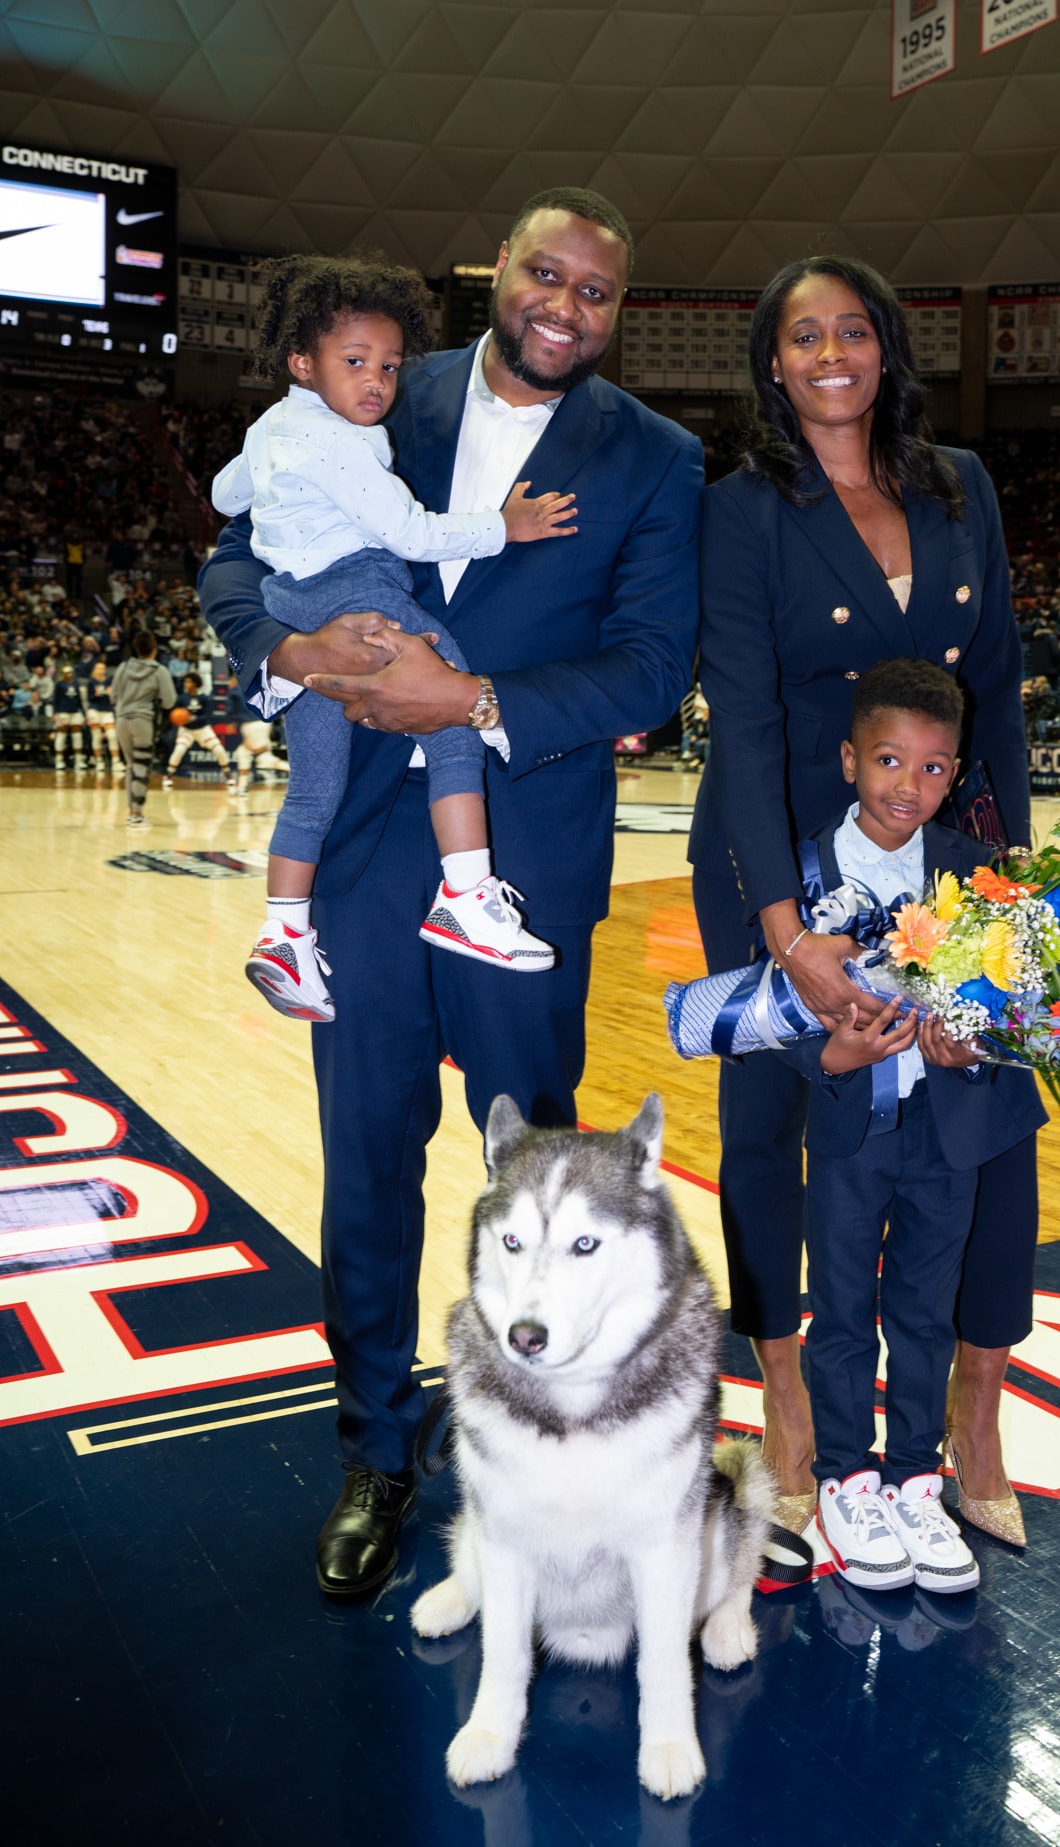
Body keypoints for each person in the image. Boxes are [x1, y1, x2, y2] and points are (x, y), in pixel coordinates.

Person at [199, 186, 700, 1599]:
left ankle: (547, 1450)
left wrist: (467, 693)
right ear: (502, 274)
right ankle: (377, 1449)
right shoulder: (368, 381)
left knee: (544, 1177)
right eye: (546, 274)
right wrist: (289, 657)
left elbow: (653, 665)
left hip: (521, 864)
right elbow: (232, 563)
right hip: (357, 852)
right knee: (366, 1167)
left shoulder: (654, 459)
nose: (565, 306)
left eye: (597, 291)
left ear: (617, 313)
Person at [689, 254, 1034, 1554]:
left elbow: (991, 690)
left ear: (885, 349)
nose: (828, 352)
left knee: (986, 1109)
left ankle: (975, 1414)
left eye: (851, 330)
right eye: (800, 336)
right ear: (772, 366)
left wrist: (1008, 888)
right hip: (777, 852)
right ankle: (784, 1403)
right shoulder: (743, 507)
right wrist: (784, 926)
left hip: (947, 853)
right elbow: (749, 714)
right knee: (772, 1111)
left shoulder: (965, 490)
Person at [211, 254, 576, 1020]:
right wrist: (503, 527)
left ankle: (282, 933)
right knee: (454, 715)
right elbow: (410, 532)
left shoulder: (274, 425)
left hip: (301, 612)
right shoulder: (339, 442)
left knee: (313, 789)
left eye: (388, 365)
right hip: (362, 591)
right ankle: (468, 892)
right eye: (354, 363)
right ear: (302, 362)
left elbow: (225, 494)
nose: (376, 381)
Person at [781, 659, 1046, 1590]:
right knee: (845, 1312)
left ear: (957, 772)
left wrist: (970, 1049)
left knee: (927, 1311)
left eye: (935, 769)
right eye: (891, 760)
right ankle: (844, 1478)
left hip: (948, 1134)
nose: (911, 786)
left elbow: (1009, 1011)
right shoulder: (798, 875)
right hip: (853, 1131)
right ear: (851, 759)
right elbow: (765, 1019)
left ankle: (914, 1483)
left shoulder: (977, 875)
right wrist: (829, 1058)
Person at [111, 632, 175, 826]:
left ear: (137, 649)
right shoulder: (159, 670)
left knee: (131, 766)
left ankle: (132, 811)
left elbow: (113, 696)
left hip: (121, 721)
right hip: (143, 721)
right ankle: (137, 815)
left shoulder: (122, 667)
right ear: (154, 650)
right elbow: (169, 701)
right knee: (141, 767)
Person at [161, 671, 235, 790]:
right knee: (179, 750)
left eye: (188, 681)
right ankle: (168, 775)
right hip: (187, 730)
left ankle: (228, 775)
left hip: (202, 729)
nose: (186, 684)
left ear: (195, 683)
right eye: (185, 681)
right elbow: (175, 714)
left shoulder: (204, 698)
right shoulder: (182, 699)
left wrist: (193, 717)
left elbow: (208, 716)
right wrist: (180, 719)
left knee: (220, 750)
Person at [84, 658, 120, 775]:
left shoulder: (109, 681)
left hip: (107, 710)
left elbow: (114, 697)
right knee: (96, 736)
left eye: (103, 668)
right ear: (95, 670)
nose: (101, 671)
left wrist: (111, 694)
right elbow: (89, 698)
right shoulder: (91, 682)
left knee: (112, 735)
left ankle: (116, 761)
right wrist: (96, 694)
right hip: (94, 711)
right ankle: (99, 761)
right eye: (99, 669)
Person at [49, 662, 87, 770]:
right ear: (63, 674)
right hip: (63, 712)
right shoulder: (59, 684)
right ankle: (59, 760)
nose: (69, 674)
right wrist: (54, 713)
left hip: (75, 712)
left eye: (70, 672)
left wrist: (83, 713)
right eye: (67, 673)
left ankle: (78, 760)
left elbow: (79, 700)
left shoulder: (76, 684)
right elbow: (55, 700)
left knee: (77, 736)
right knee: (61, 735)